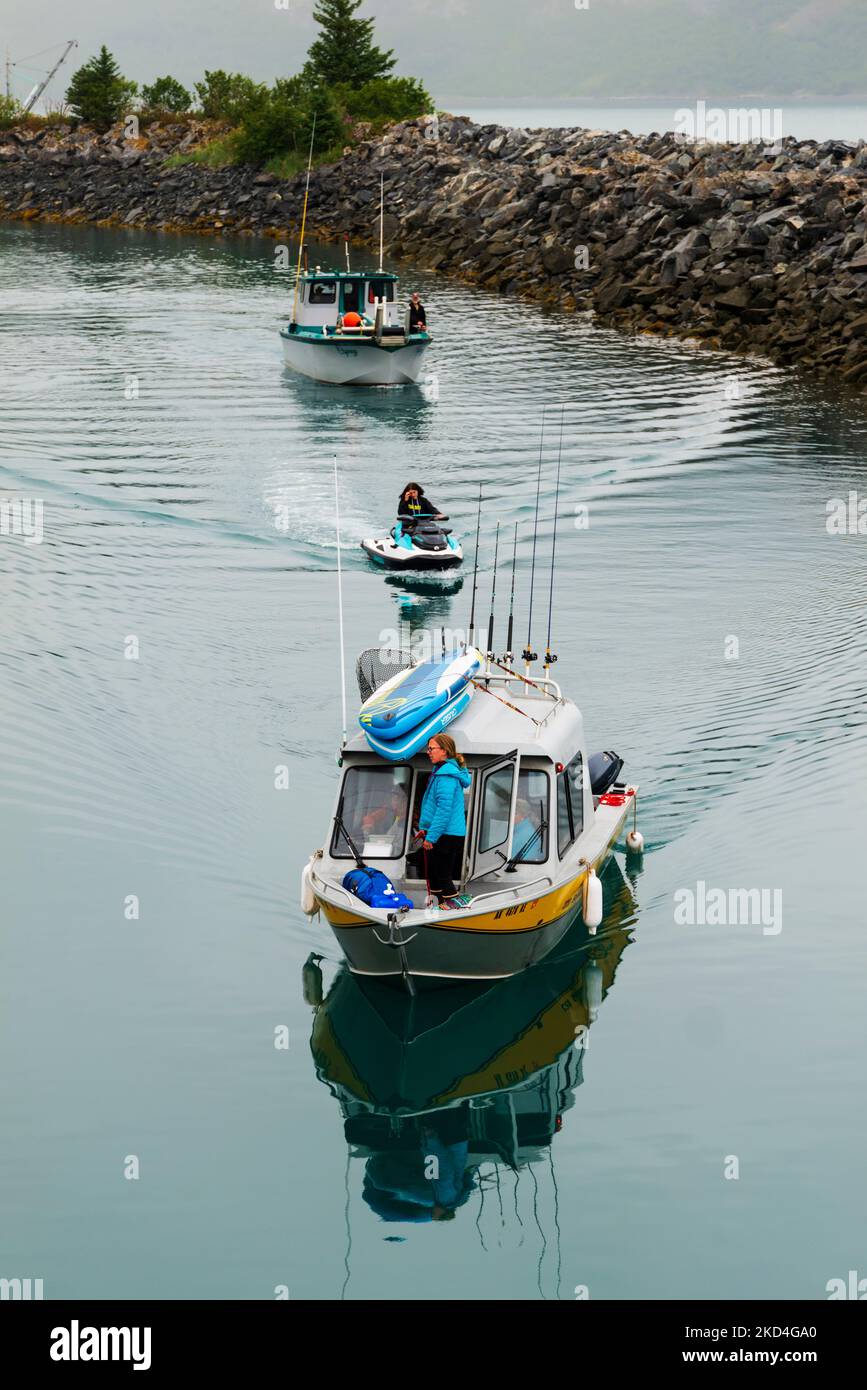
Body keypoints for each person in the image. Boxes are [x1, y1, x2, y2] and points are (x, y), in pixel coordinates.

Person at [416, 734, 471, 908]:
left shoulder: (446, 775)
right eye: (429, 748)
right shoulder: (442, 771)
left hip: (446, 835)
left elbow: (443, 810)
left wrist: (431, 837)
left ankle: (457, 906)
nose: (428, 752)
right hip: (447, 833)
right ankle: (439, 904)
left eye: (432, 749)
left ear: (445, 751)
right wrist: (427, 830)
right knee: (434, 874)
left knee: (442, 874)